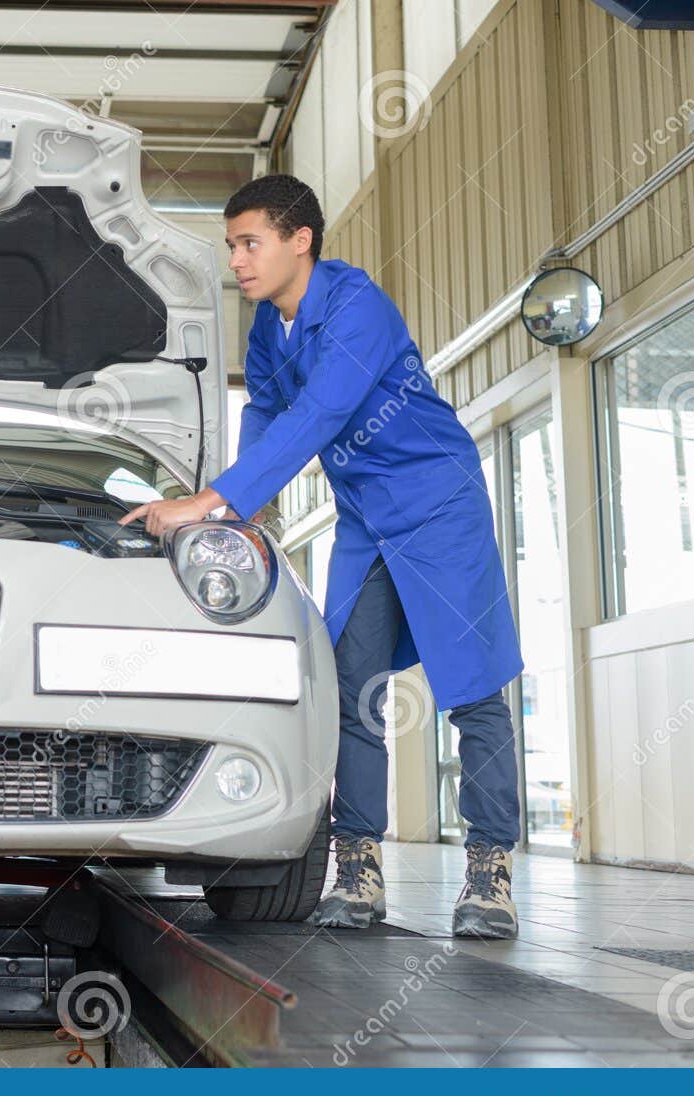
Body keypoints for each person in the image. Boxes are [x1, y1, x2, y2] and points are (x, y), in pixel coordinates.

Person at [121, 174, 524, 939]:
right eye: (232, 246)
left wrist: (210, 503)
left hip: (438, 502)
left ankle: (490, 869)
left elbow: (321, 411)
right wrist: (238, 518)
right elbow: (266, 412)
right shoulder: (268, 330)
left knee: (472, 686)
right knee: (352, 686)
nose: (237, 261)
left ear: (299, 240)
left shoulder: (357, 305)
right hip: (366, 518)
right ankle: (358, 865)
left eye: (250, 243)